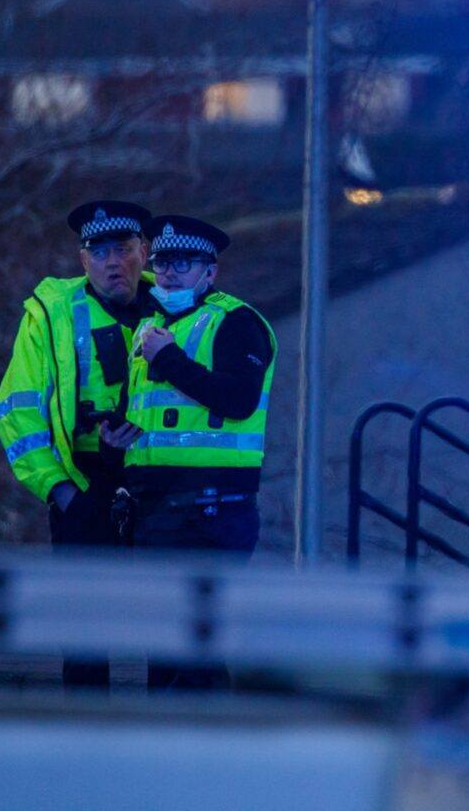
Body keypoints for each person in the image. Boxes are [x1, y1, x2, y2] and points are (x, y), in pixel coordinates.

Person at [0, 199, 155, 690]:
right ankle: (86, 736)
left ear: (143, 252)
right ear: (83, 260)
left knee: (170, 620)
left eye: (123, 248)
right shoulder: (52, 314)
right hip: (84, 480)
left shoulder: (176, 304)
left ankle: (177, 737)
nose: (112, 261)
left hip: (159, 478)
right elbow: (16, 411)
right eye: (99, 250)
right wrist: (63, 493)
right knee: (84, 626)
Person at [125, 213, 276, 690]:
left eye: (183, 262)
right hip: (155, 510)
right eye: (162, 260)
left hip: (211, 511)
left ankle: (205, 755)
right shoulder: (149, 329)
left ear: (210, 272)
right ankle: (169, 757)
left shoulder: (235, 322)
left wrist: (169, 361)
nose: (168, 272)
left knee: (195, 655)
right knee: (169, 652)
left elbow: (237, 400)